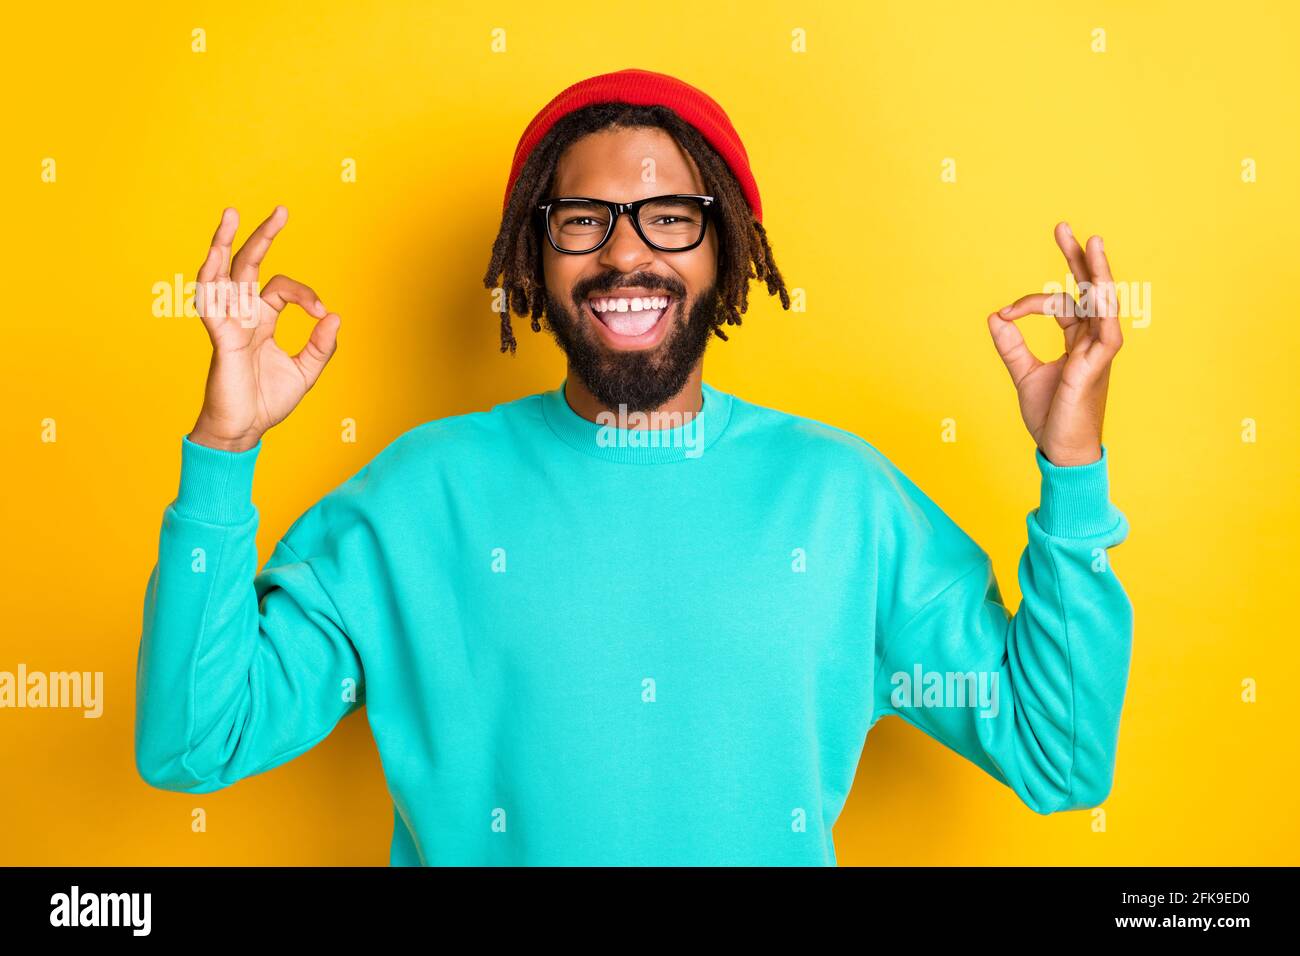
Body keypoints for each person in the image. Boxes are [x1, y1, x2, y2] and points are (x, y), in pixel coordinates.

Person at [135, 68, 1133, 866]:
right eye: (583, 219)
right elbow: (193, 743)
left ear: (724, 250)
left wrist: (1073, 462)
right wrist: (223, 451)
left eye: (670, 214)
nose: (625, 254)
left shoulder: (840, 500)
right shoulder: (414, 497)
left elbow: (1057, 754)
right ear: (536, 252)